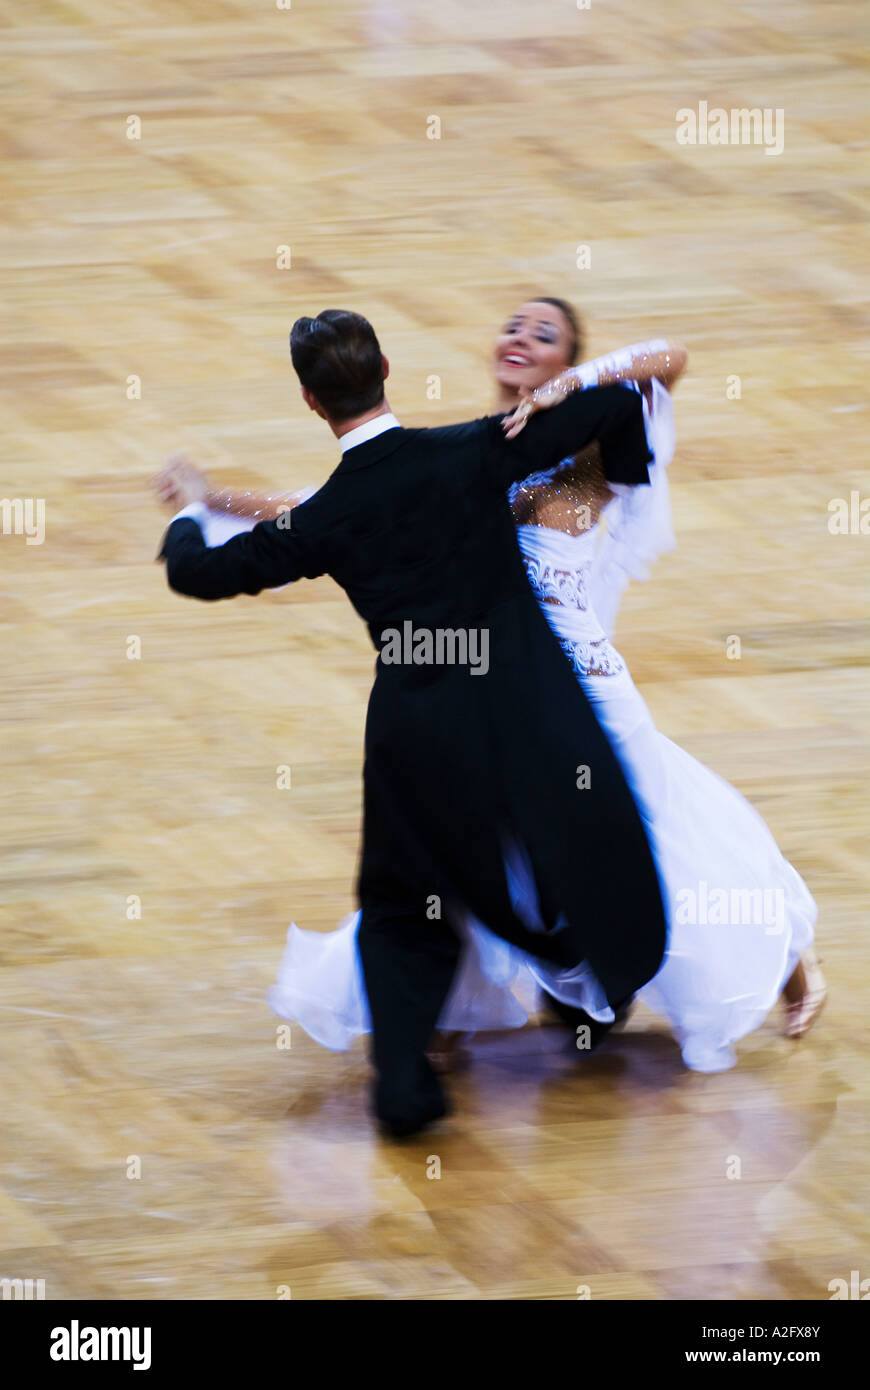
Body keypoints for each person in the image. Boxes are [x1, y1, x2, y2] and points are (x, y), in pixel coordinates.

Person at [191, 298, 824, 1073]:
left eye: (546, 334)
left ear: (565, 362)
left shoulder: (582, 454)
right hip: (490, 697)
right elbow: (331, 511)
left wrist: (574, 387)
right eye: (515, 326)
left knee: (666, 846)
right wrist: (214, 499)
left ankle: (784, 958)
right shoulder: (471, 447)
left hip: (582, 696)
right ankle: (436, 1018)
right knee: (472, 852)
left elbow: (670, 356)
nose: (522, 338)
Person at [153, 308, 667, 1137]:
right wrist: (567, 399)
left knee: (404, 904)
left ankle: (406, 1086)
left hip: (416, 723)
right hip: (524, 701)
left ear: (312, 404)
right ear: (387, 367)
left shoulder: (329, 514)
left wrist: (187, 508)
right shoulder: (471, 448)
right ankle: (594, 981)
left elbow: (201, 573)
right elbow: (618, 409)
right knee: (578, 833)